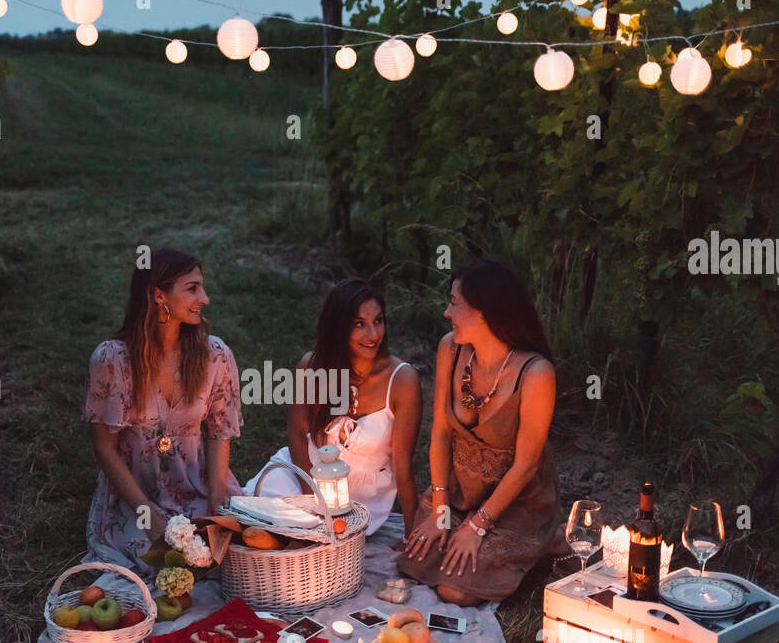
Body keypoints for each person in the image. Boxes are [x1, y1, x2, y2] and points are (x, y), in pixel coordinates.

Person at [400, 258, 568, 605]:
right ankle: (470, 533)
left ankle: (542, 544)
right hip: (460, 489)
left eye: (454, 303)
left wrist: (476, 527)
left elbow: (525, 465)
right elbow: (442, 433)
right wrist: (441, 511)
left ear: (484, 312)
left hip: (515, 500)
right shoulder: (451, 347)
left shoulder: (535, 373)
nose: (446, 312)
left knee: (455, 589)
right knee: (417, 562)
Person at [84, 248, 244, 577]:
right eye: (192, 288)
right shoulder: (113, 360)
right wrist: (152, 521)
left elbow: (218, 432)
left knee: (231, 555)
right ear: (159, 295)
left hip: (196, 482)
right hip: (138, 493)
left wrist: (216, 506)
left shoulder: (214, 355)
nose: (205, 298)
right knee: (155, 562)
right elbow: (104, 449)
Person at [243, 279, 421, 537]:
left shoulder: (402, 379)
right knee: (254, 521)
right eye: (359, 324)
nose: (373, 335)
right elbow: (295, 435)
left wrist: (410, 535)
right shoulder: (313, 366)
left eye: (378, 321)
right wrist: (311, 502)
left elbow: (404, 467)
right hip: (304, 476)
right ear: (338, 327)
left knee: (307, 542)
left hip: (361, 497)